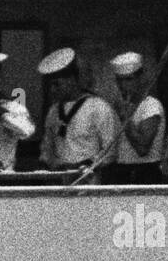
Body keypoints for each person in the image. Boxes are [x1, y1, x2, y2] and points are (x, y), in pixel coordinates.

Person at [37, 47, 120, 179]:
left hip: (89, 181)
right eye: (51, 85)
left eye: (57, 84)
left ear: (71, 80)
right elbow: (47, 147)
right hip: (61, 181)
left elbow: (111, 150)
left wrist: (90, 164)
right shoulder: (53, 111)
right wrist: (45, 166)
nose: (53, 90)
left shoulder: (98, 107)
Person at [108, 51, 166, 184]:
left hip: (145, 173)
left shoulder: (151, 106)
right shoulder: (119, 105)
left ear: (140, 78)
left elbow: (142, 149)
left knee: (140, 206)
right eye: (119, 80)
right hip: (123, 172)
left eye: (129, 79)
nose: (123, 86)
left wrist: (125, 119)